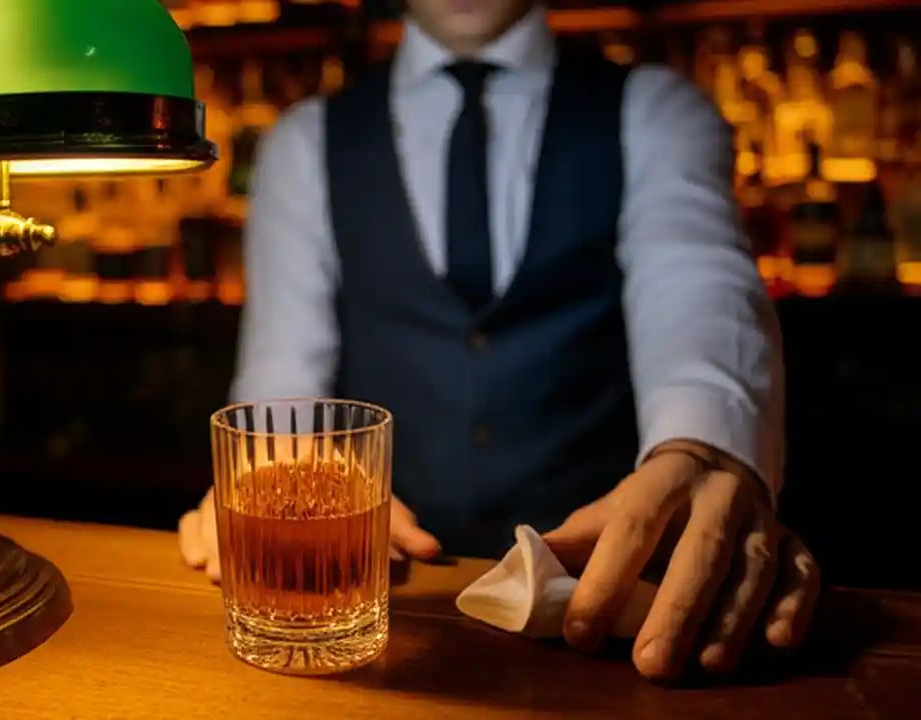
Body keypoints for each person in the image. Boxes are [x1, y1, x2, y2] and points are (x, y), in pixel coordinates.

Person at [178, 0, 819, 681]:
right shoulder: (303, 140)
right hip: (393, 611)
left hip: (609, 611)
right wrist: (260, 485)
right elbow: (282, 386)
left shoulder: (658, 109)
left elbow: (700, 288)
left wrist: (704, 449)